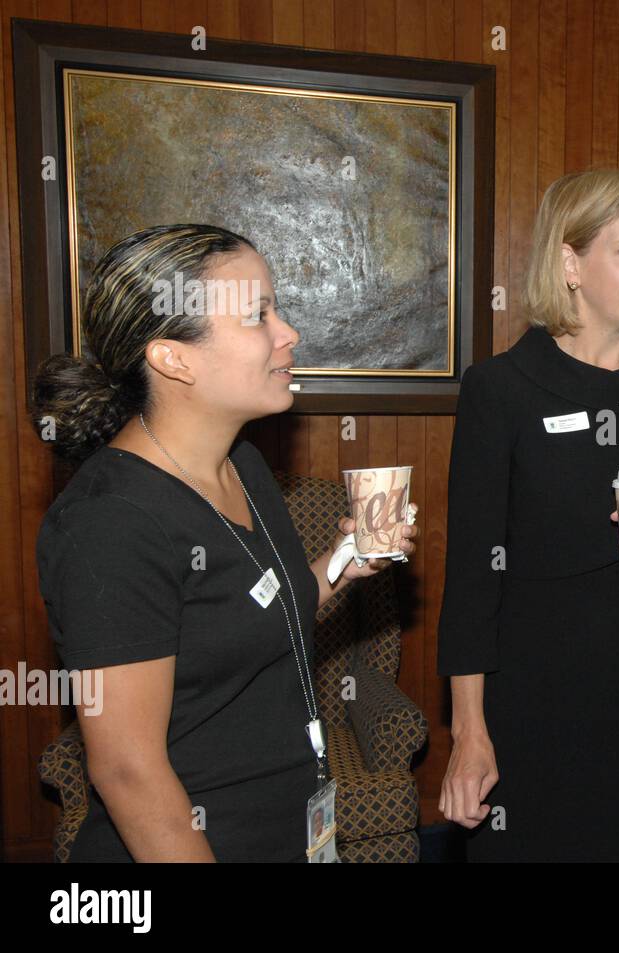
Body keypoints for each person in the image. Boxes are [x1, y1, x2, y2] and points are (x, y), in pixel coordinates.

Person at [32, 224, 418, 861]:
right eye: (256, 315)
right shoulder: (108, 524)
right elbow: (129, 773)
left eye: (277, 307)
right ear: (172, 357)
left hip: (288, 832)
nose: (287, 332)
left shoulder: (241, 463)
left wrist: (346, 562)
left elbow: (255, 613)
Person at [436, 170, 619, 861]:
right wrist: (469, 730)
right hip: (533, 695)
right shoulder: (500, 388)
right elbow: (473, 576)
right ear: (569, 262)